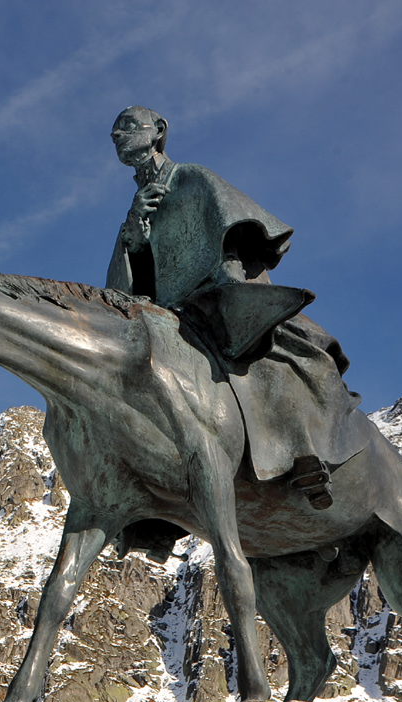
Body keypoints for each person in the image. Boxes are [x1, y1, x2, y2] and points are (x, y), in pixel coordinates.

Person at [105, 106, 368, 507]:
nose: (117, 135)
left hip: (216, 295)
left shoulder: (191, 178)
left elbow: (232, 230)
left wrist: (227, 283)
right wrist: (134, 236)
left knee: (283, 350)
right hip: (169, 312)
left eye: (126, 126)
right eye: (114, 132)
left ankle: (305, 450)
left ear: (157, 131)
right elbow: (127, 290)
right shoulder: (138, 203)